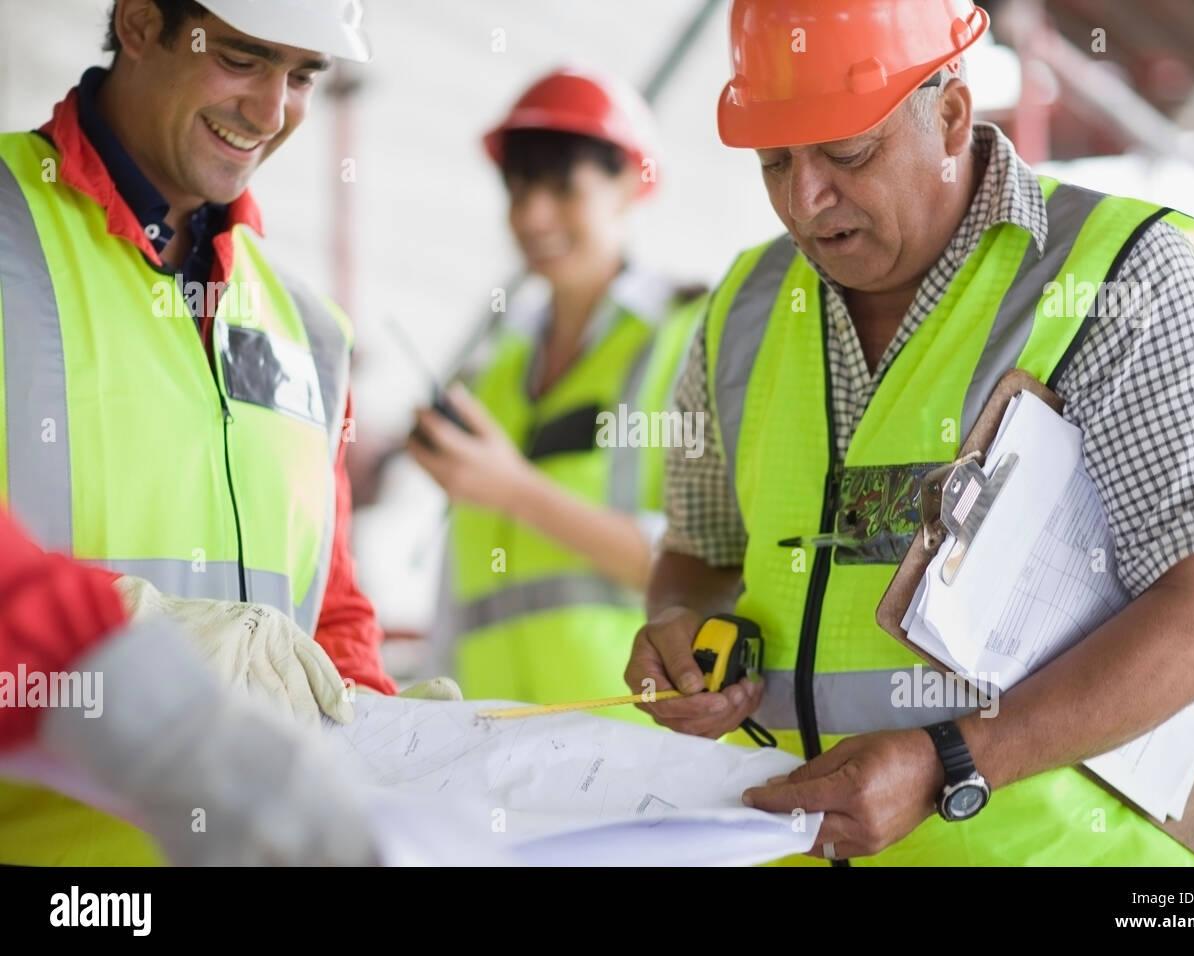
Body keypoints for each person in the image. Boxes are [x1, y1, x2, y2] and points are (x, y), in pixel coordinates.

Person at [623, 0, 1194, 865]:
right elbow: (700, 556)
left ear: (953, 114)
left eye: (849, 153)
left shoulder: (1123, 279)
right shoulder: (741, 309)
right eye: (775, 162)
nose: (807, 202)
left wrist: (949, 766)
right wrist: (679, 631)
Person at [0, 0, 397, 865]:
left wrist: (402, 739)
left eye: (300, 76)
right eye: (245, 59)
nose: (271, 111)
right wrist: (124, 645)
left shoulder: (311, 330)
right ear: (140, 22)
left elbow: (331, 612)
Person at [407, 69, 704, 716]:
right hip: (494, 745)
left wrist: (512, 488)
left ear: (630, 183)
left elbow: (706, 569)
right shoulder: (496, 371)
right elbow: (460, 593)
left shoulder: (691, 341)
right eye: (518, 188)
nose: (531, 215)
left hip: (636, 742)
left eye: (562, 187)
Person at [0, 508, 380, 866]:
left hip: (262, 842)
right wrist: (123, 626)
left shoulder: (330, 434)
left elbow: (332, 598)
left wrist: (364, 706)